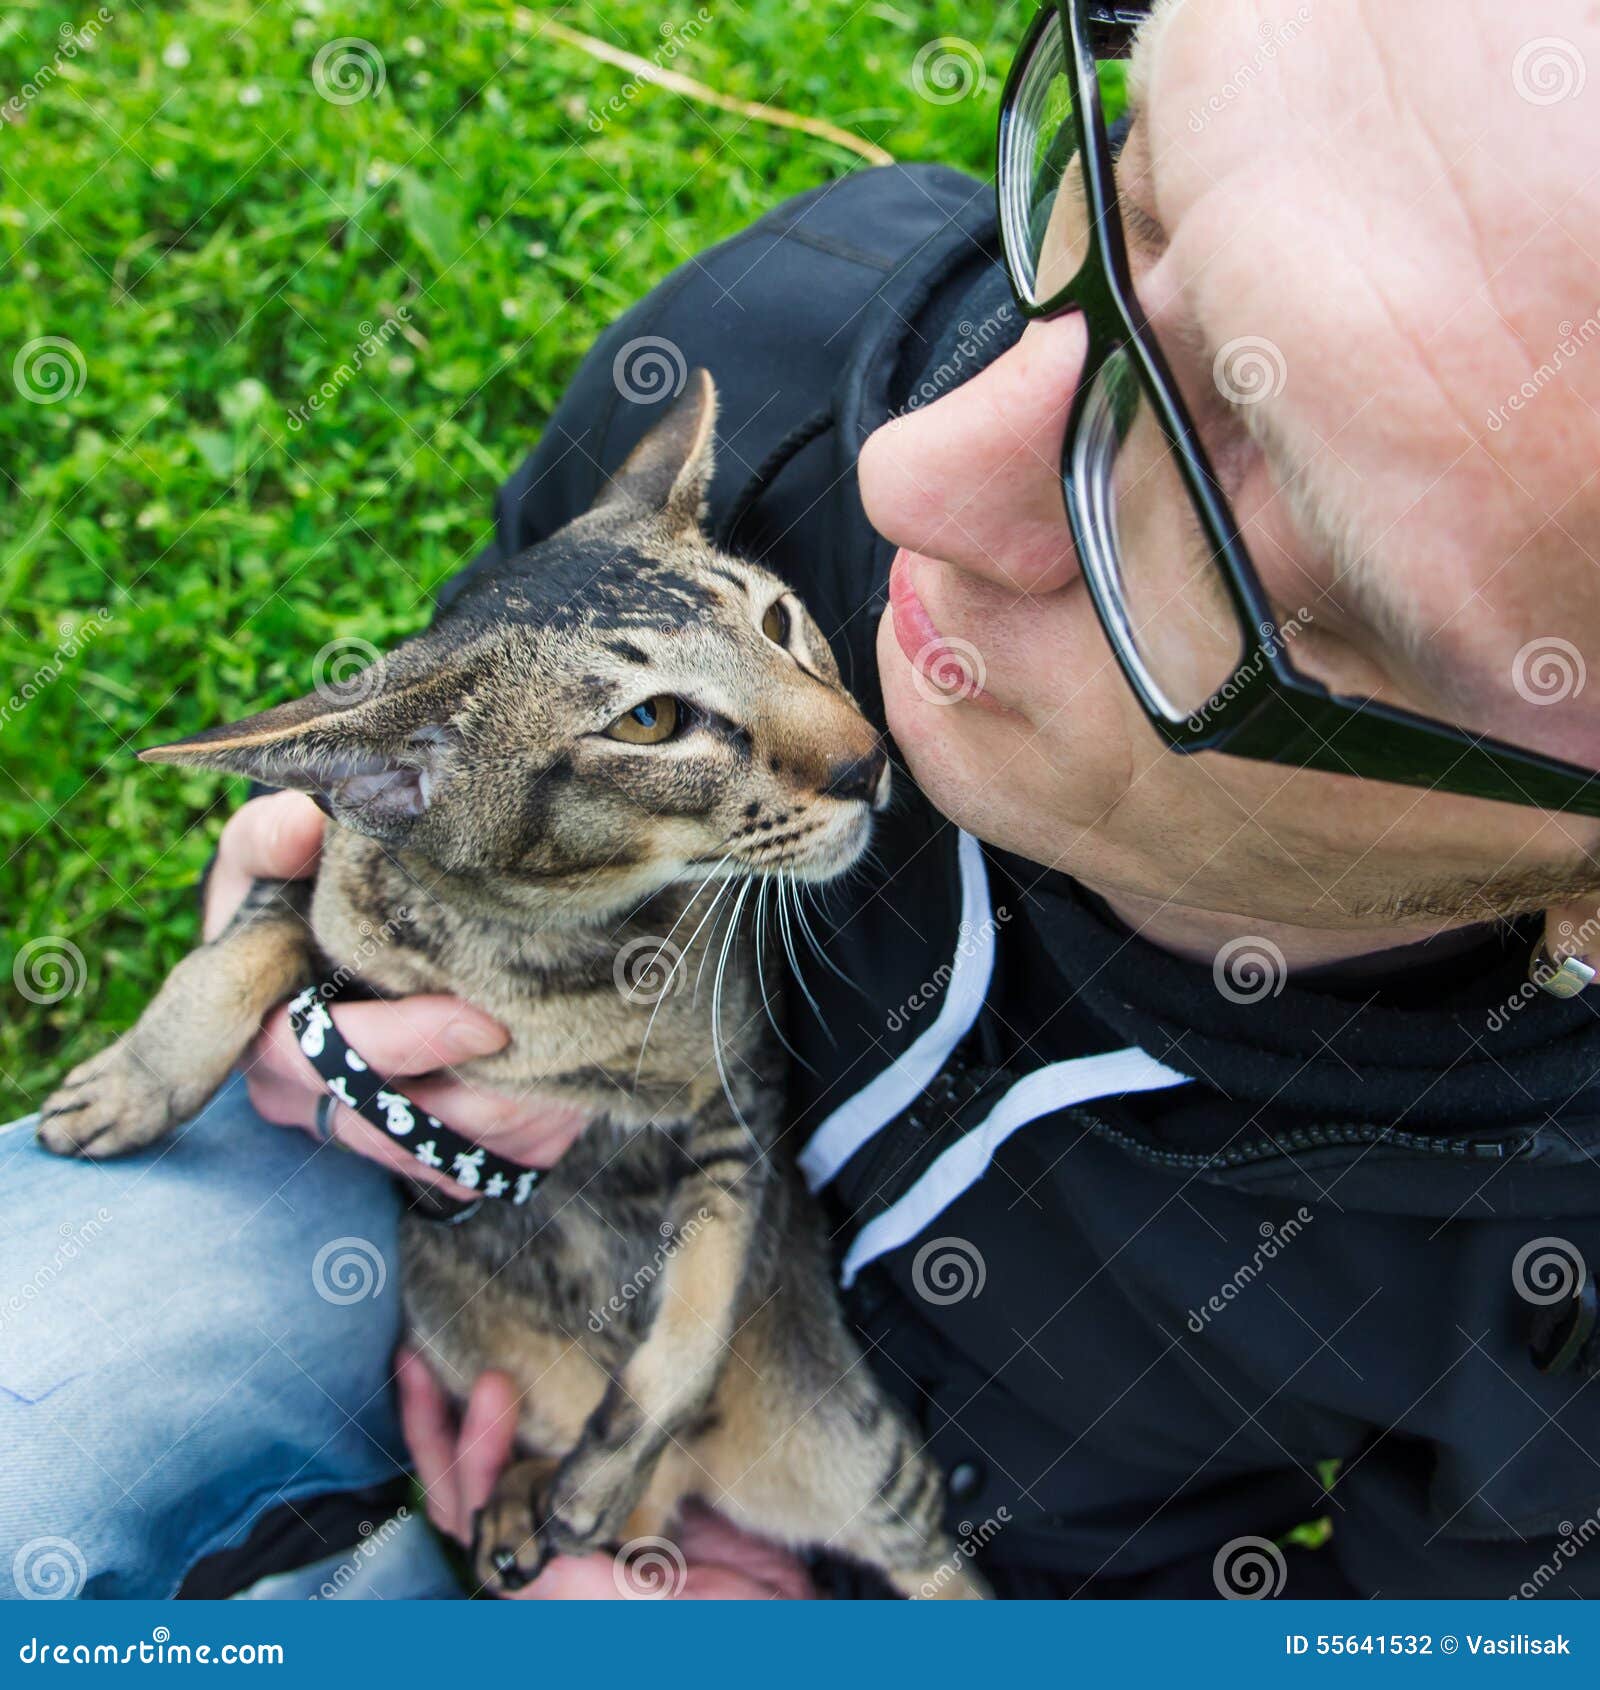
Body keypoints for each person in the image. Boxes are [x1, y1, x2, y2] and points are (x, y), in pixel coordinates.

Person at [8, 0, 1600, 1600]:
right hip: (438, 1305)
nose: (910, 469)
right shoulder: (791, 341)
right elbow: (500, 681)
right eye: (1128, 197)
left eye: (1241, 516)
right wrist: (362, 972)